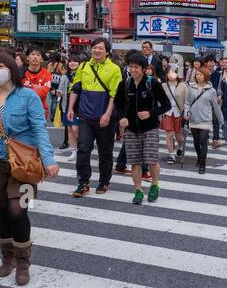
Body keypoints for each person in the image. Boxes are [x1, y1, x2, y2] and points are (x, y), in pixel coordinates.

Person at [0, 49, 58, 286]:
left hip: (25, 164)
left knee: (18, 211)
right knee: (2, 210)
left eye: (1, 67)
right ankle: (7, 257)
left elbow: (39, 129)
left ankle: (23, 262)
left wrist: (49, 159)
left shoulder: (28, 96)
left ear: (12, 69)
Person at [115, 52, 171, 204]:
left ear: (144, 69)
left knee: (152, 160)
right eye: (131, 66)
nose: (133, 70)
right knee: (135, 161)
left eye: (136, 67)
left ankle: (154, 185)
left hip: (150, 128)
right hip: (131, 129)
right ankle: (138, 190)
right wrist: (122, 118)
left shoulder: (153, 84)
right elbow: (118, 105)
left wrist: (151, 113)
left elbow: (167, 105)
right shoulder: (125, 84)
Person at [70, 37, 122, 197]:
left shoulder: (114, 69)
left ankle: (104, 181)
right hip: (85, 116)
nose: (97, 50)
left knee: (105, 151)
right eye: (94, 47)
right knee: (83, 149)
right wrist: (71, 108)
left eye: (100, 48)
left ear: (107, 52)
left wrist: (107, 114)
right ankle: (83, 182)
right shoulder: (84, 66)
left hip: (104, 117)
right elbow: (76, 88)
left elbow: (114, 95)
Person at [183, 59, 224, 173]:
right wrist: (186, 112)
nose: (198, 76)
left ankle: (203, 163)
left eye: (200, 75)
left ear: (205, 76)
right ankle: (199, 157)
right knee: (196, 141)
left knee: (203, 140)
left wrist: (221, 120)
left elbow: (215, 106)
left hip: (205, 119)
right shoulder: (191, 88)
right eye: (197, 75)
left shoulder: (211, 90)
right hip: (193, 118)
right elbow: (187, 102)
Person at [160, 67, 187, 165]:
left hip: (178, 113)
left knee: (179, 136)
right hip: (167, 112)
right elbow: (160, 100)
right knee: (169, 135)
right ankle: (171, 155)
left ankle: (179, 147)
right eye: (168, 73)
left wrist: (186, 113)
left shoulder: (183, 86)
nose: (170, 75)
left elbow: (186, 101)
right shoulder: (163, 86)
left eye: (172, 73)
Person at [22, 49, 53, 117]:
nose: (35, 57)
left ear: (41, 59)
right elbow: (20, 94)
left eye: (38, 55)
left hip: (41, 110)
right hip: (23, 110)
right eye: (32, 54)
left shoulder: (47, 74)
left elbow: (43, 93)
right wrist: (38, 87)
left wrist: (29, 88)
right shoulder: (21, 73)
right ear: (27, 57)